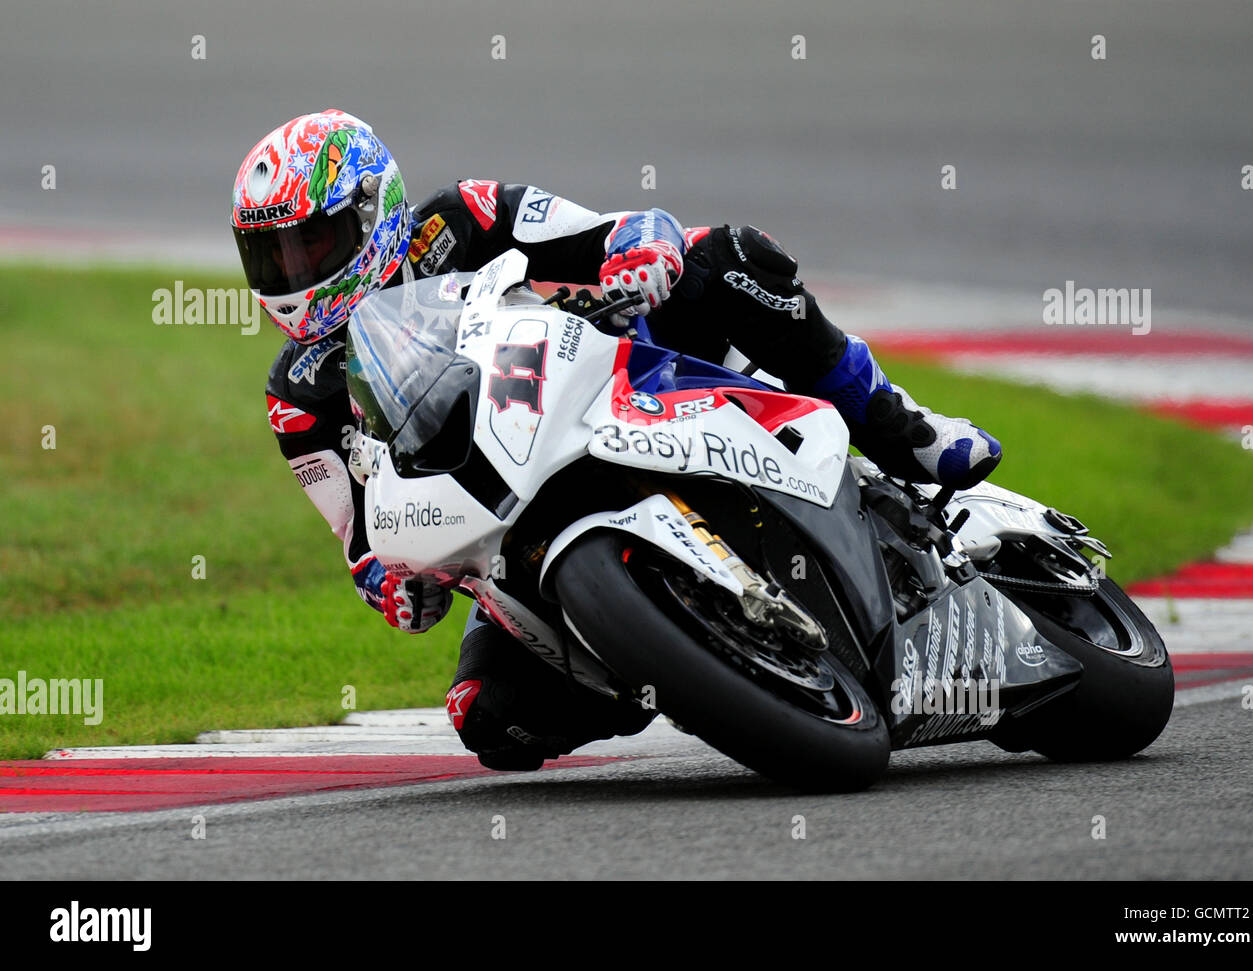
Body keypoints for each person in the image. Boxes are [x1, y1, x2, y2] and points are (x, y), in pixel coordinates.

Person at [233, 109, 1002, 769]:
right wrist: (390, 579)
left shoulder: (457, 218)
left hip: (612, 383)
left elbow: (597, 232)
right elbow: (356, 529)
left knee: (727, 256)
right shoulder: (296, 396)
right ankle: (674, 660)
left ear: (374, 212)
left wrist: (639, 248)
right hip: (502, 529)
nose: (293, 272)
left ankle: (903, 429)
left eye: (312, 245)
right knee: (488, 718)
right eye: (272, 257)